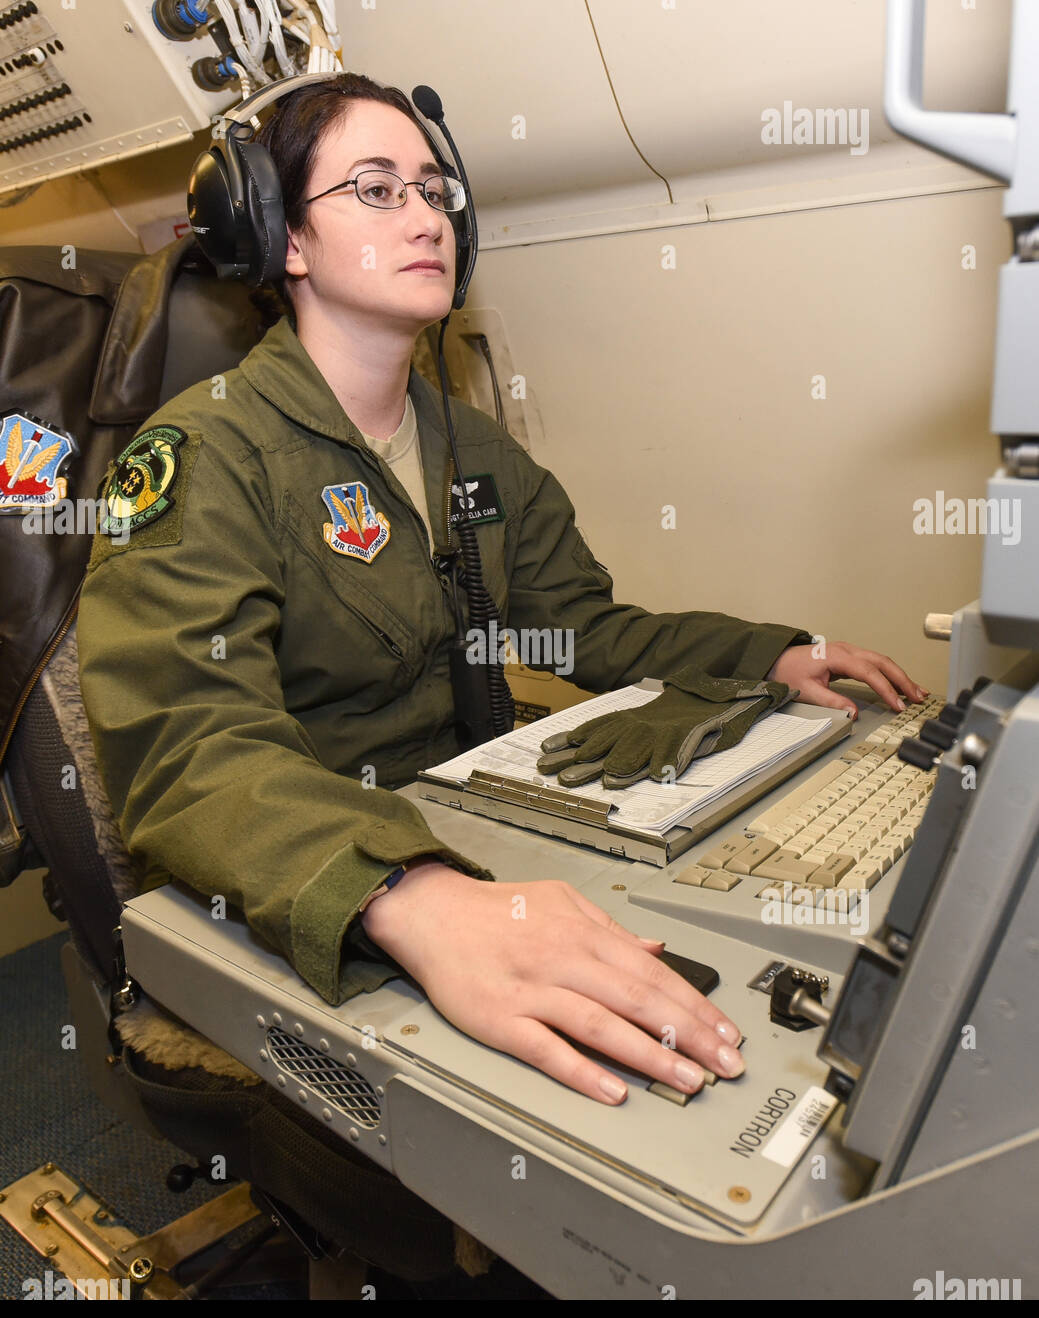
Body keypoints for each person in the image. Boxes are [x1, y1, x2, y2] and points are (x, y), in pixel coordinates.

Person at [77, 73, 928, 1114]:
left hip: (468, 839)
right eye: (377, 189)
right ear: (280, 238)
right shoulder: (204, 453)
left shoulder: (469, 447)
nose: (426, 216)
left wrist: (767, 654)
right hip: (324, 877)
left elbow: (579, 627)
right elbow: (187, 755)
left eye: (435, 192)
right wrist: (407, 892)